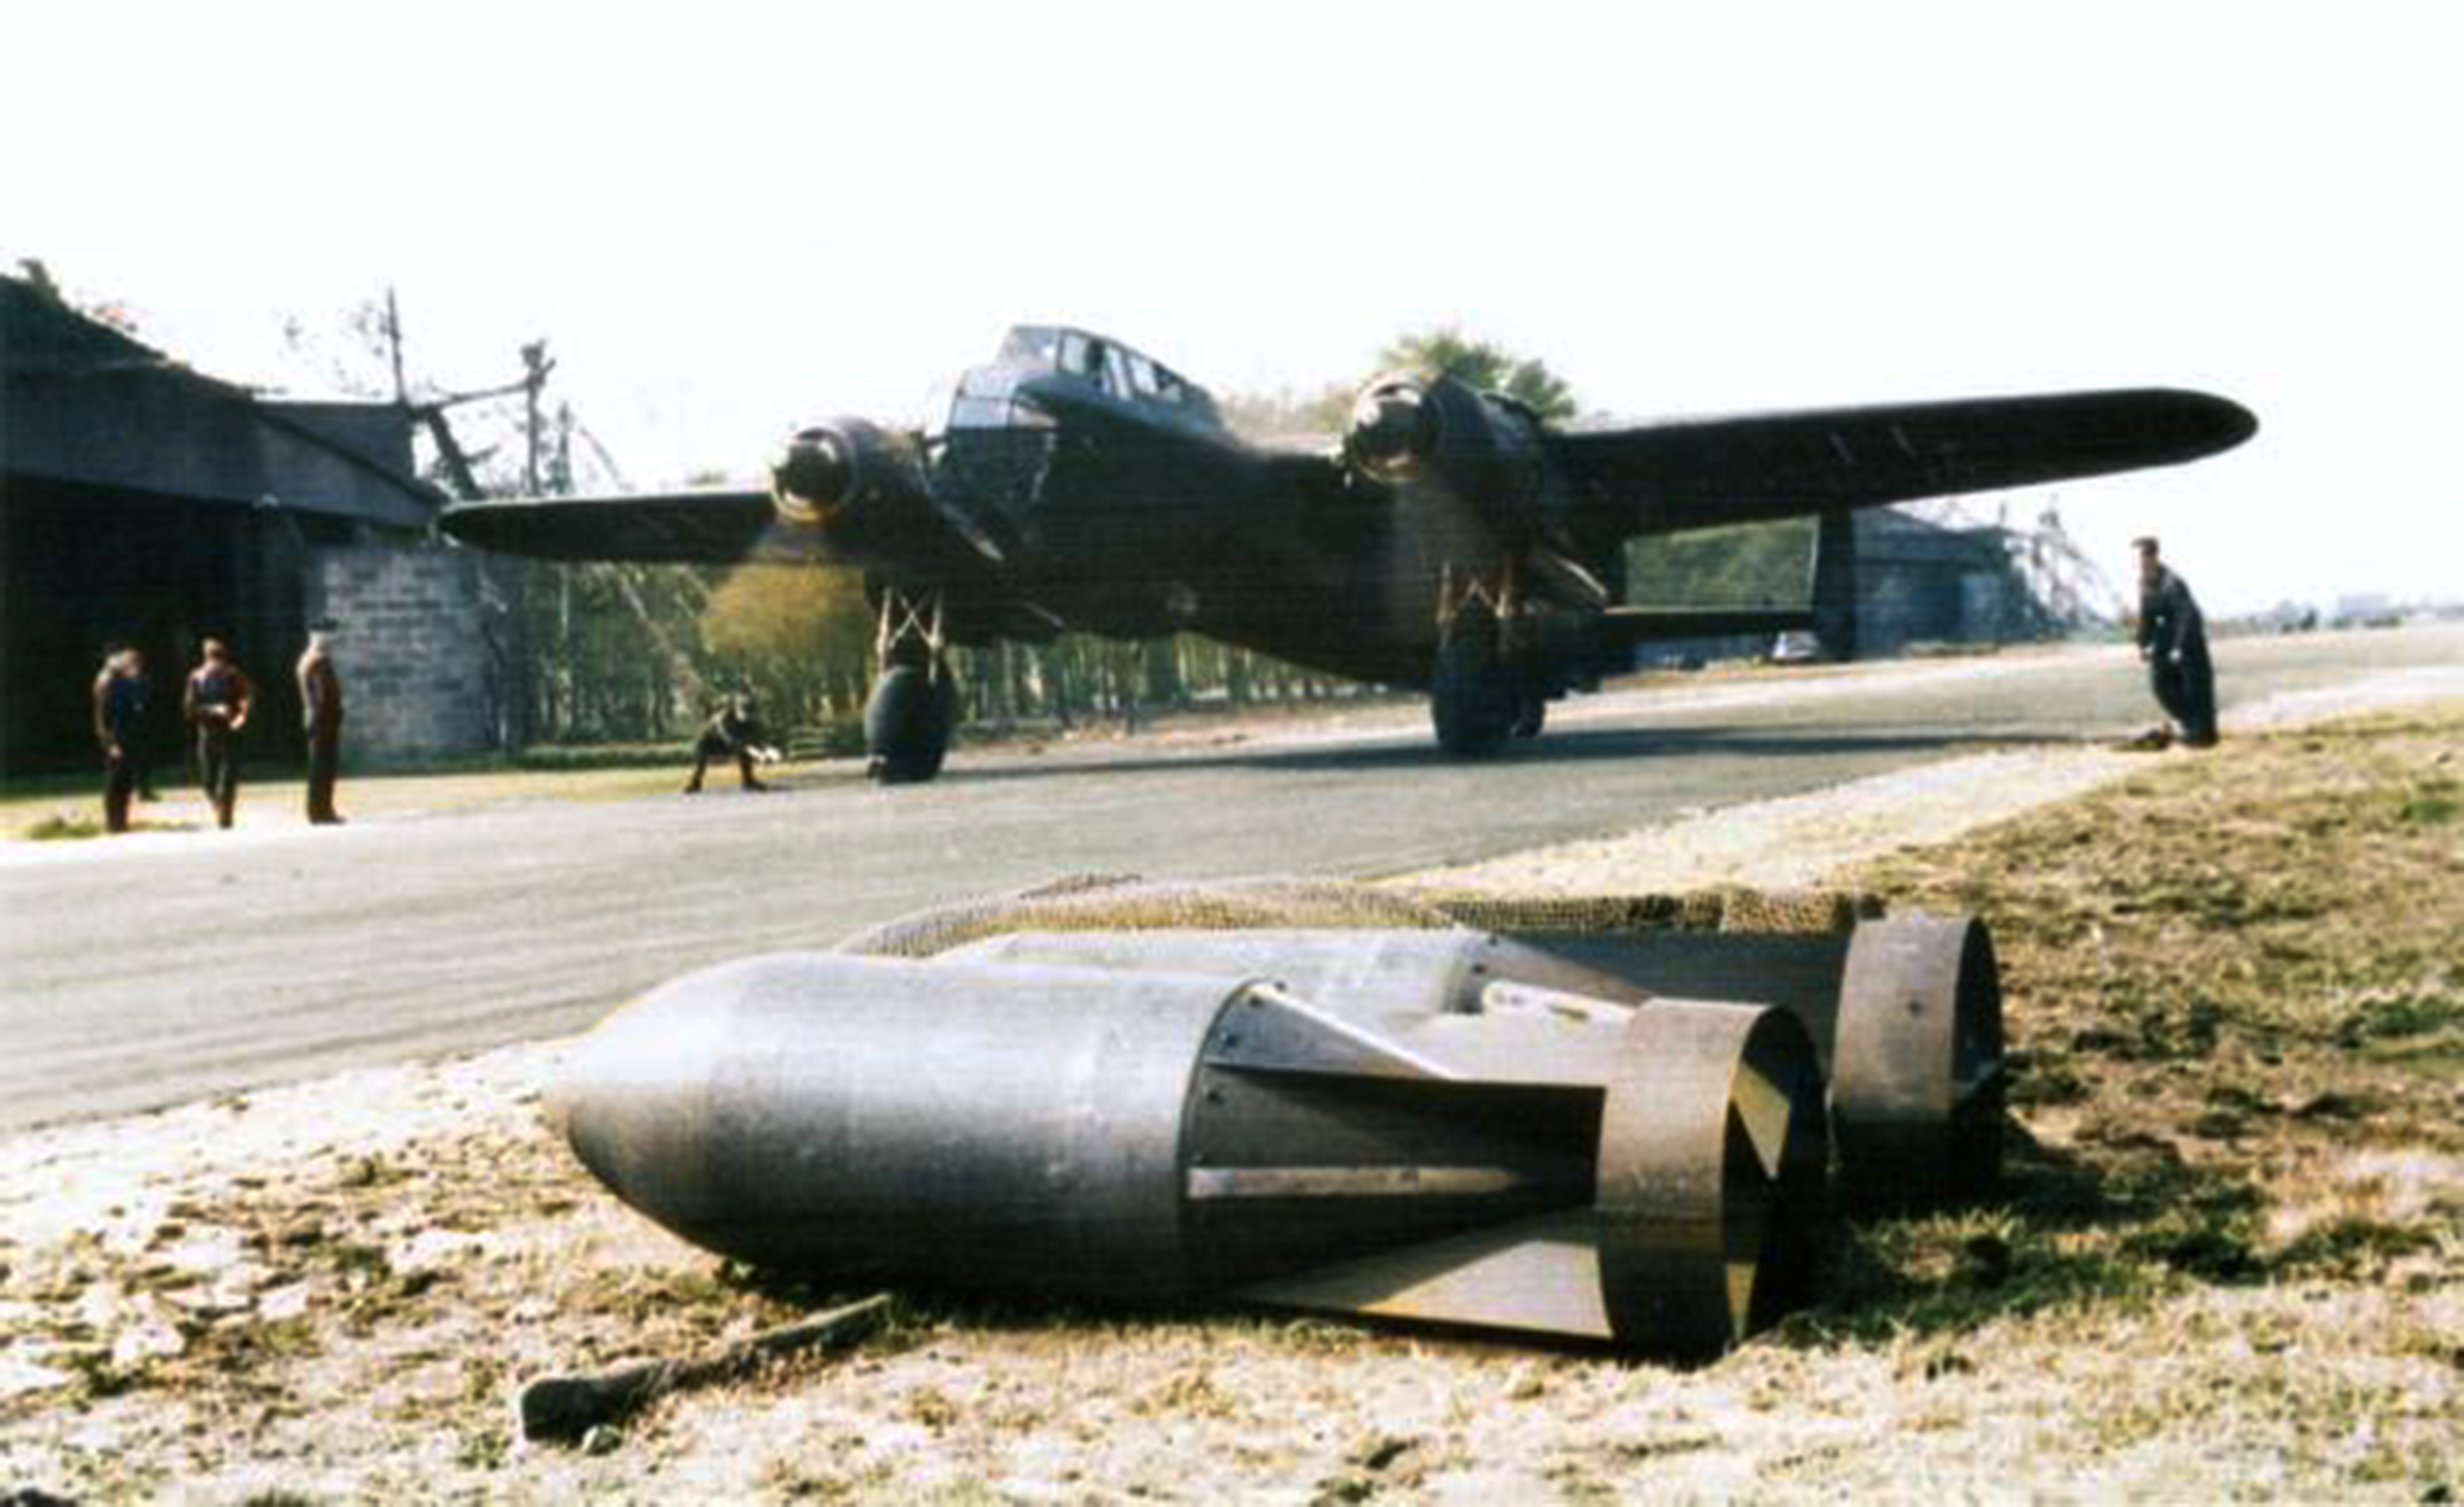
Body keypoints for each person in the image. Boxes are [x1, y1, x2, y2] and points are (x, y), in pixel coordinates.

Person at [2134, 536, 2217, 748]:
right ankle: (2190, 724)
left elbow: (2186, 615)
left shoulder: (2172, 582)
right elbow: (2146, 618)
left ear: (2153, 556)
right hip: (2166, 640)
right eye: (2136, 560)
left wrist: (2179, 648)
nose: (2139, 564)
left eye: (2142, 557)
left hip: (2189, 638)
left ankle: (2203, 733)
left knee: (2196, 689)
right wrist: (2143, 645)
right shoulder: (2144, 584)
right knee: (2160, 686)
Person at [184, 638, 254, 829]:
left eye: (220, 661)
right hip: (207, 730)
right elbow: (189, 709)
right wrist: (213, 710)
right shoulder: (196, 677)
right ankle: (218, 805)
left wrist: (243, 715)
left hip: (229, 730)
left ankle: (226, 815)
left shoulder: (233, 674)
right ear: (206, 659)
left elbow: (246, 696)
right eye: (213, 661)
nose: (217, 666)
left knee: (228, 775)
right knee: (208, 779)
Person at [91, 647, 146, 833]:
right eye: (130, 663)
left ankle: (122, 821)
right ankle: (113, 823)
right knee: (115, 780)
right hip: (116, 737)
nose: (134, 667)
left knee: (125, 781)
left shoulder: (124, 681)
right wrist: (111, 743)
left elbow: (134, 708)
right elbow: (104, 716)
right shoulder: (108, 681)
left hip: (128, 737)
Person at [296, 622, 346, 825]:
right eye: (328, 635)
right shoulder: (320, 660)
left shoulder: (304, 658)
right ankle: (322, 811)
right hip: (324, 718)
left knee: (317, 766)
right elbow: (323, 693)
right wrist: (338, 708)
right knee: (324, 767)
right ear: (317, 636)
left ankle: (317, 810)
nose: (332, 640)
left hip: (312, 716)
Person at [683, 692, 782, 793]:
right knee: (702, 753)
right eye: (743, 710)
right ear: (736, 708)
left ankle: (748, 781)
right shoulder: (724, 720)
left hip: (732, 741)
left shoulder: (751, 720)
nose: (747, 714)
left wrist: (768, 751)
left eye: (749, 710)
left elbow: (756, 739)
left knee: (745, 750)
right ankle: (695, 782)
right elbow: (735, 743)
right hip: (712, 742)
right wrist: (758, 756)